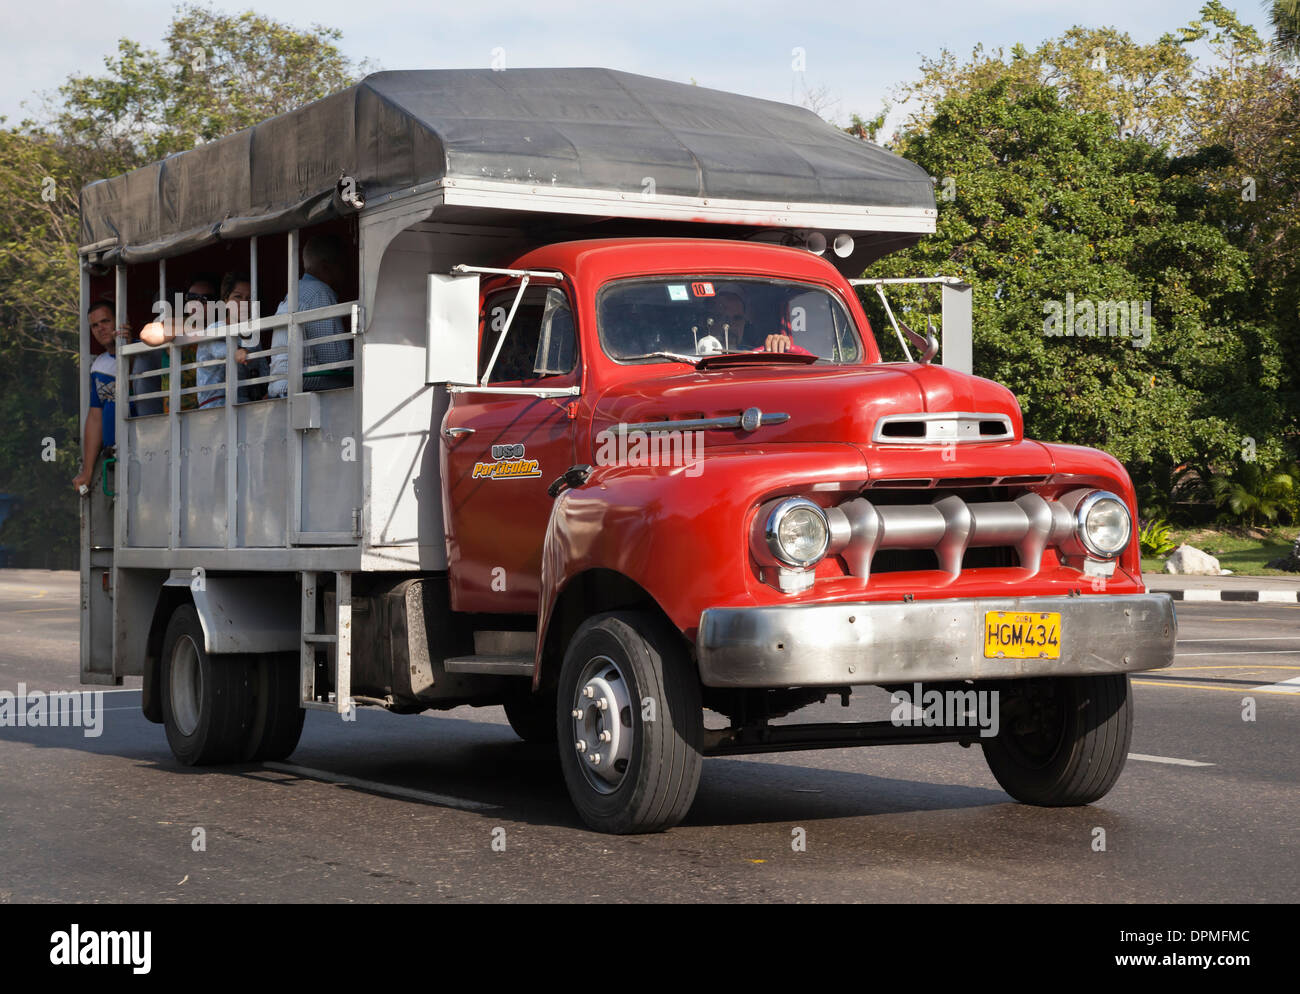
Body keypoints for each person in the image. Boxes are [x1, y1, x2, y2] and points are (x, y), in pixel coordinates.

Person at [268, 234, 352, 397]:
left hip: (282, 388)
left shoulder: (295, 290)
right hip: (303, 391)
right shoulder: (320, 292)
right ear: (327, 267)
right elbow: (336, 361)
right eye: (343, 265)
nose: (347, 272)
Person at [72, 300, 129, 493]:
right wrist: (87, 471)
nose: (100, 328)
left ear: (119, 320)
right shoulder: (98, 366)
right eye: (94, 325)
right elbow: (95, 417)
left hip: (140, 448)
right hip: (112, 456)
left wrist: (129, 346)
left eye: (105, 321)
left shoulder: (141, 350)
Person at [195, 272, 264, 408]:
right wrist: (236, 352)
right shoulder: (215, 327)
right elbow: (218, 350)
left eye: (249, 298)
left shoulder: (251, 335)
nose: (244, 303)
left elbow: (263, 369)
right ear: (225, 300)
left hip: (247, 404)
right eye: (238, 297)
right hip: (214, 407)